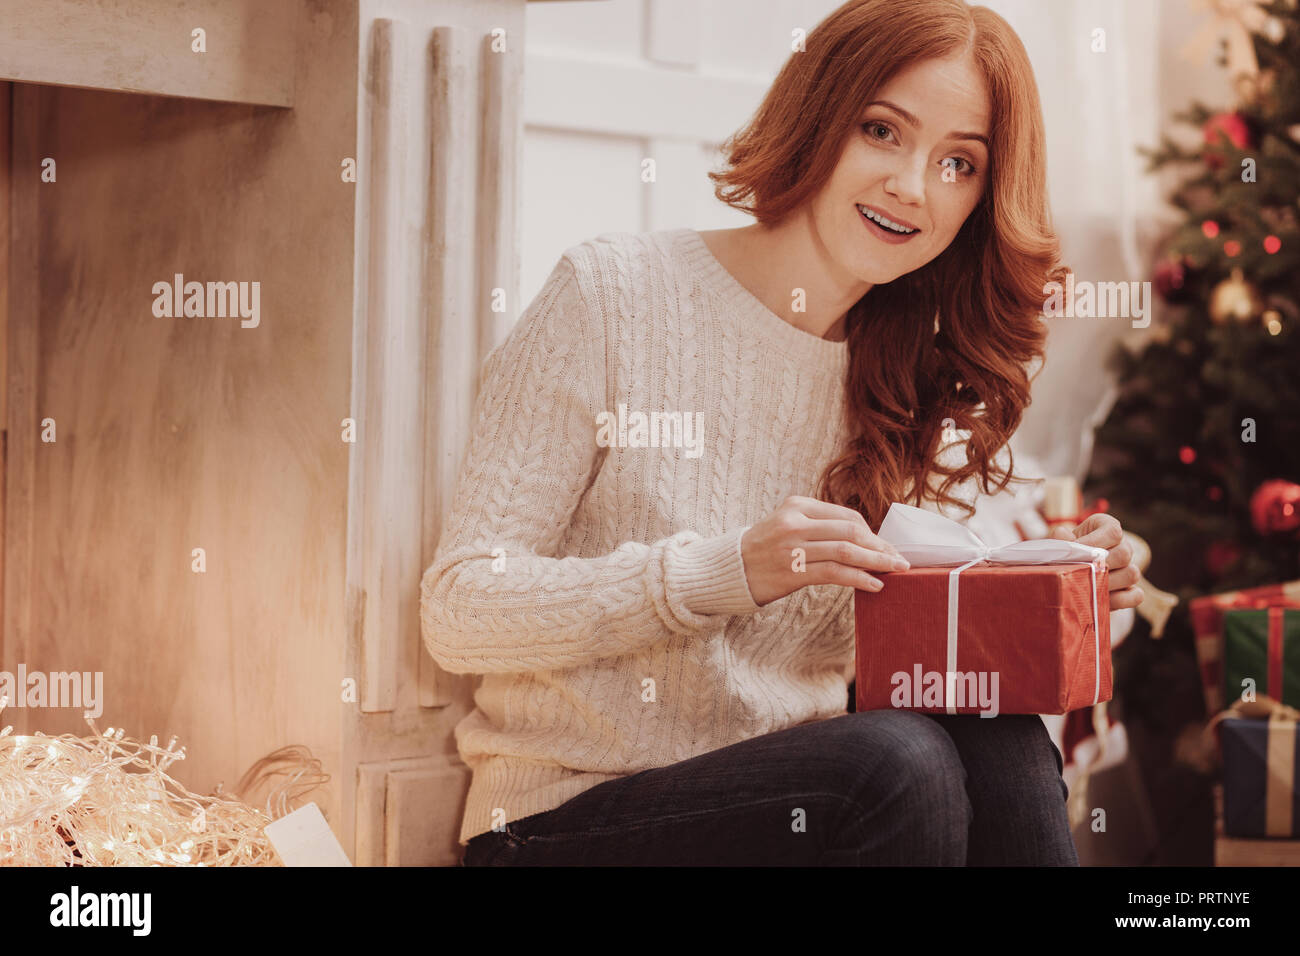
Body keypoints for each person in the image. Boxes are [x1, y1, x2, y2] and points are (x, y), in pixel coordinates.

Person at [420, 0, 1144, 866]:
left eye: (959, 163)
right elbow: (459, 610)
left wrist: (1065, 589)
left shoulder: (908, 372)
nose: (913, 185)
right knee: (894, 763)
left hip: (802, 804)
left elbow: (918, 648)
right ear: (821, 115)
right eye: (883, 130)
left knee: (997, 732)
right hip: (560, 822)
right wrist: (725, 572)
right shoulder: (613, 295)